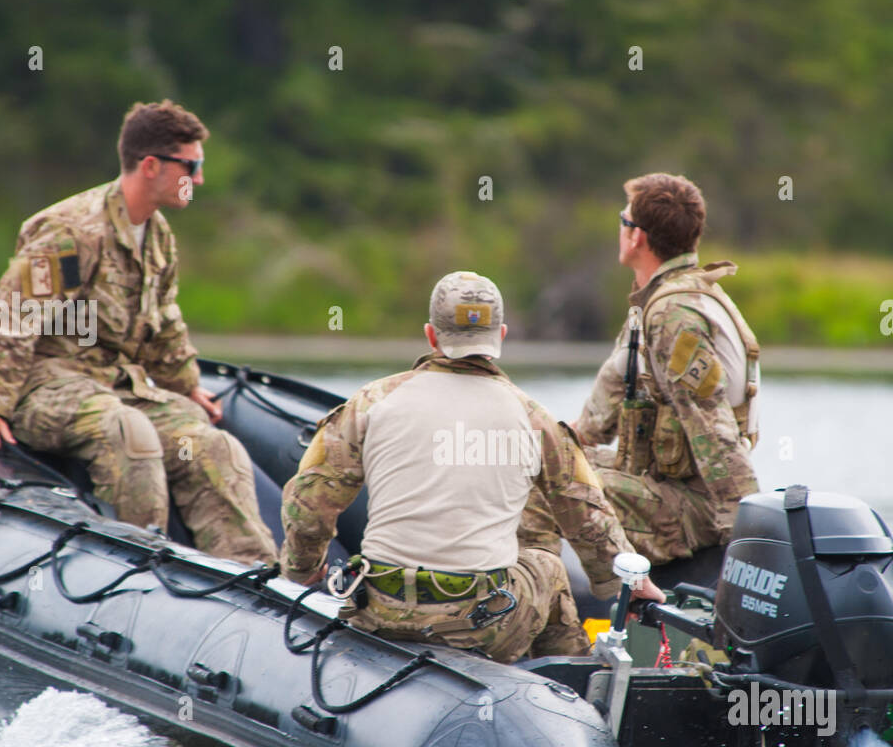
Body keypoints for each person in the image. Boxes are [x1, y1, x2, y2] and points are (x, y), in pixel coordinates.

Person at [280, 271, 664, 664]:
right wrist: (625, 584)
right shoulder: (535, 419)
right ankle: (568, 691)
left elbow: (307, 503)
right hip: (479, 624)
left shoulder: (370, 403)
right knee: (547, 566)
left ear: (431, 335)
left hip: (377, 610)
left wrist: (302, 569)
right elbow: (588, 519)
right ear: (502, 336)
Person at [0, 100, 277, 565]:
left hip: (114, 384)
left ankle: (253, 576)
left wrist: (185, 386)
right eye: (193, 166)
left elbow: (164, 322)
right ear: (151, 166)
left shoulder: (158, 235)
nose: (200, 179)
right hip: (48, 387)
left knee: (209, 445)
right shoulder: (73, 232)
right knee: (129, 433)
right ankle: (139, 569)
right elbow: (10, 315)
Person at [565, 172, 761, 564]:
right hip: (661, 490)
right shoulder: (656, 302)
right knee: (536, 465)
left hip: (691, 511)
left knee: (549, 483)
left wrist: (750, 544)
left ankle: (547, 614)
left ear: (636, 236)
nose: (619, 231)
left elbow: (714, 436)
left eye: (623, 222)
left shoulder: (674, 315)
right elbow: (592, 425)